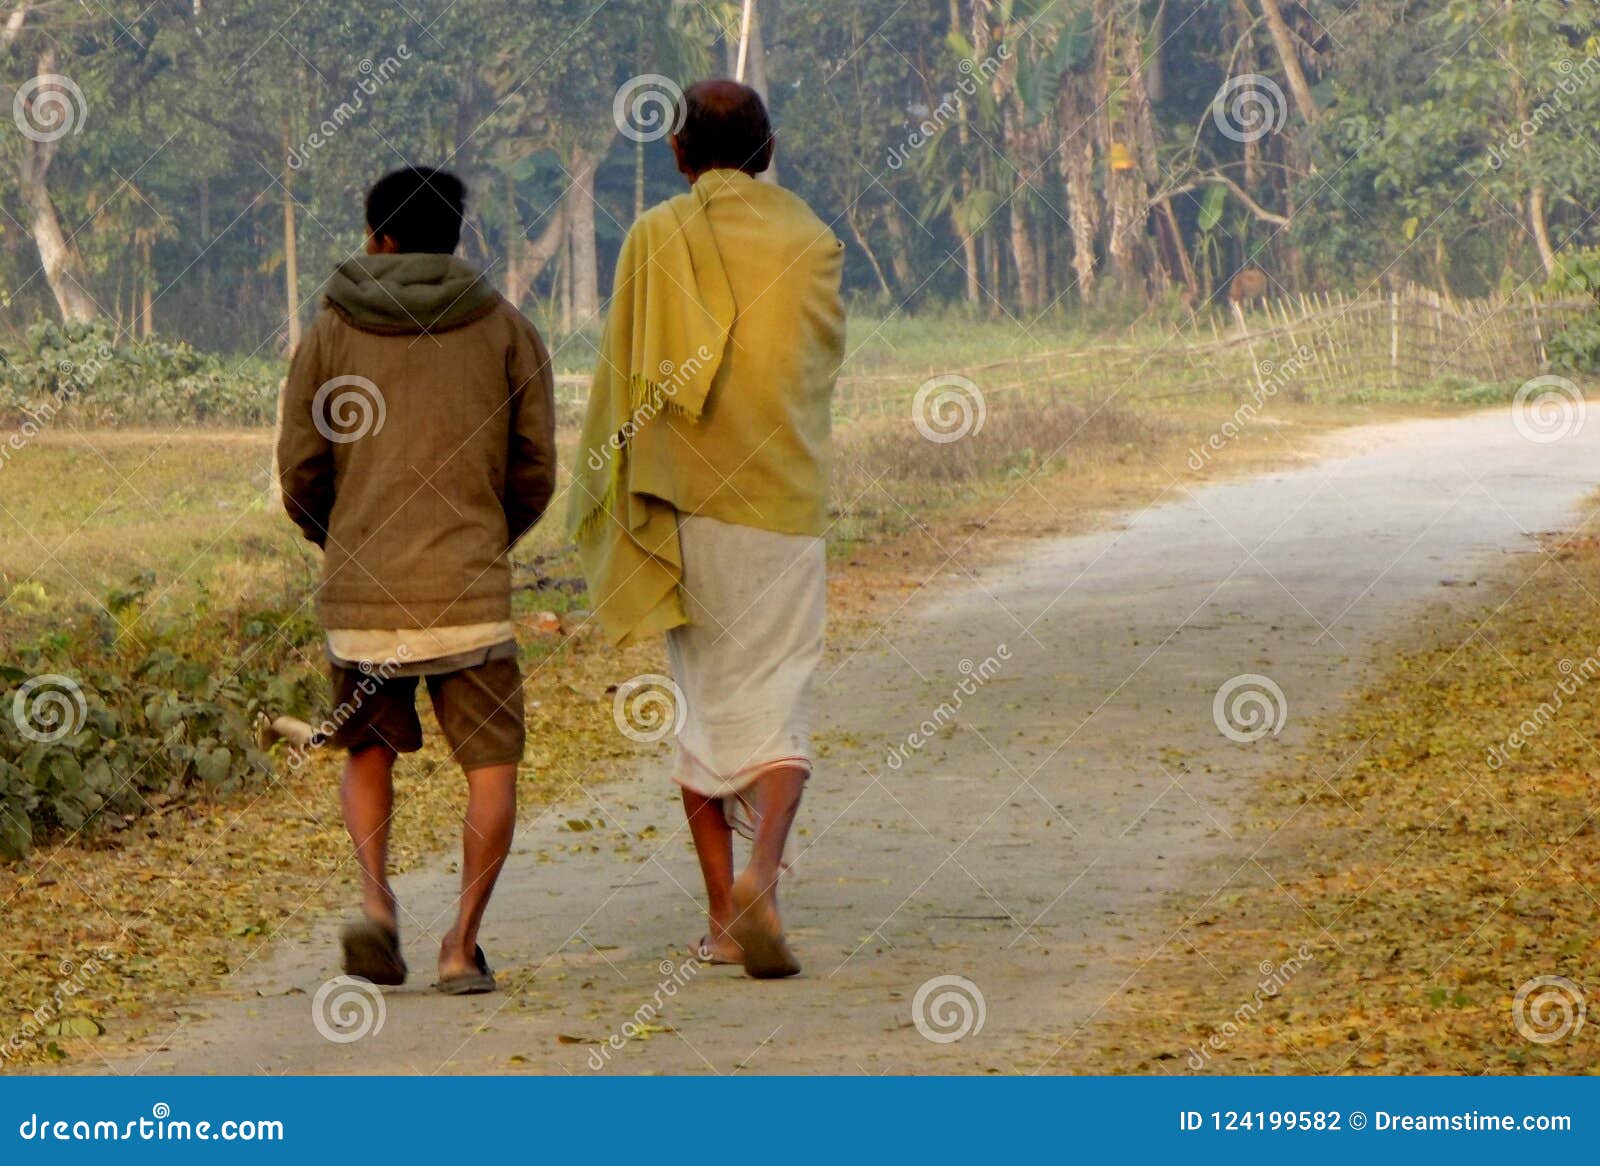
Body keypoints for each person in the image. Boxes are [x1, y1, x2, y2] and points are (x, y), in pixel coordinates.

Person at [570, 80, 845, 978]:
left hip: (682, 505)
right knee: (779, 702)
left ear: (680, 154)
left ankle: (726, 918)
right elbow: (814, 365)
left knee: (702, 710)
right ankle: (766, 871)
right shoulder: (812, 239)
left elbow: (625, 373)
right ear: (769, 151)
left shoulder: (654, 236)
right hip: (783, 506)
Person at [277, 166, 557, 995]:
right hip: (469, 594)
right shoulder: (505, 329)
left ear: (382, 239)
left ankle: (377, 905)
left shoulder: (330, 331)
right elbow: (535, 468)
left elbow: (301, 469)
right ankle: (460, 947)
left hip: (364, 594)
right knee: (492, 765)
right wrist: (487, 539)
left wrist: (341, 540)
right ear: (452, 238)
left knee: (367, 750)